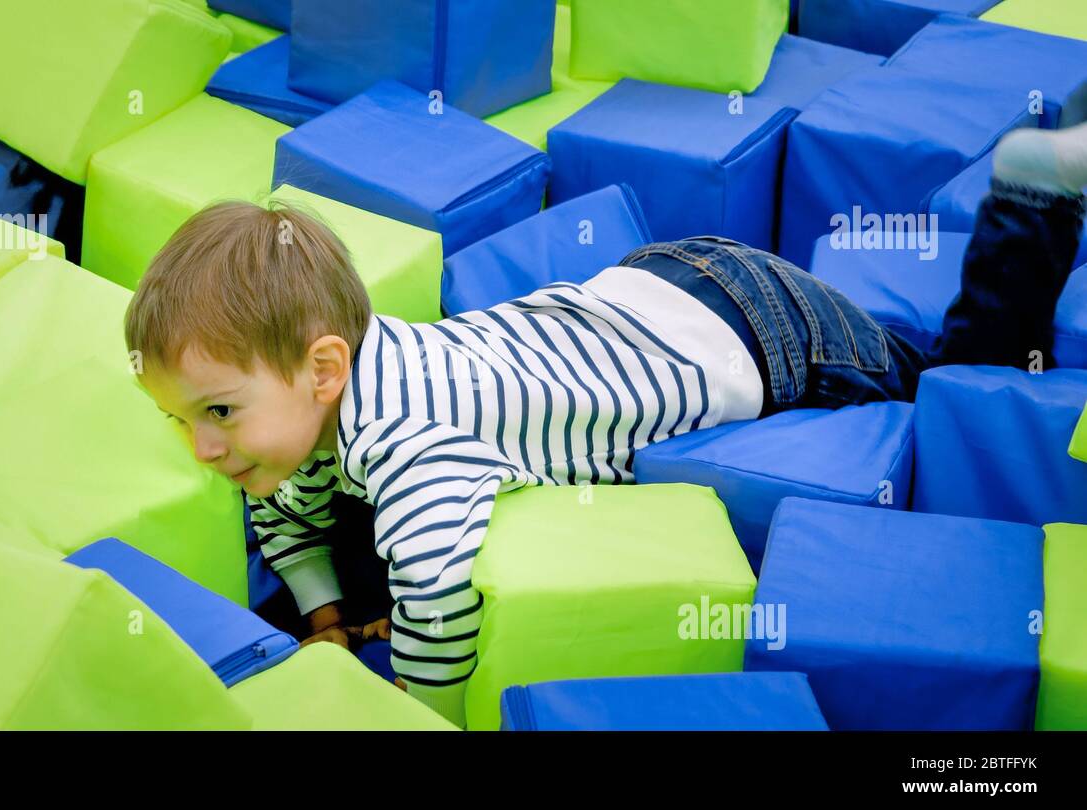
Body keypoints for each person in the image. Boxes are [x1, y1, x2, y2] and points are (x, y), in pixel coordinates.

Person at [124, 122, 1086, 727]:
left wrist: (414, 711)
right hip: (643, 284)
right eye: (178, 422)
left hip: (760, 332)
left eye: (217, 414)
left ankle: (1030, 195)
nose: (205, 453)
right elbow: (284, 505)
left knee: (948, 386)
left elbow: (439, 600)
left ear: (324, 369)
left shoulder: (411, 445)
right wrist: (325, 617)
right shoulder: (318, 394)